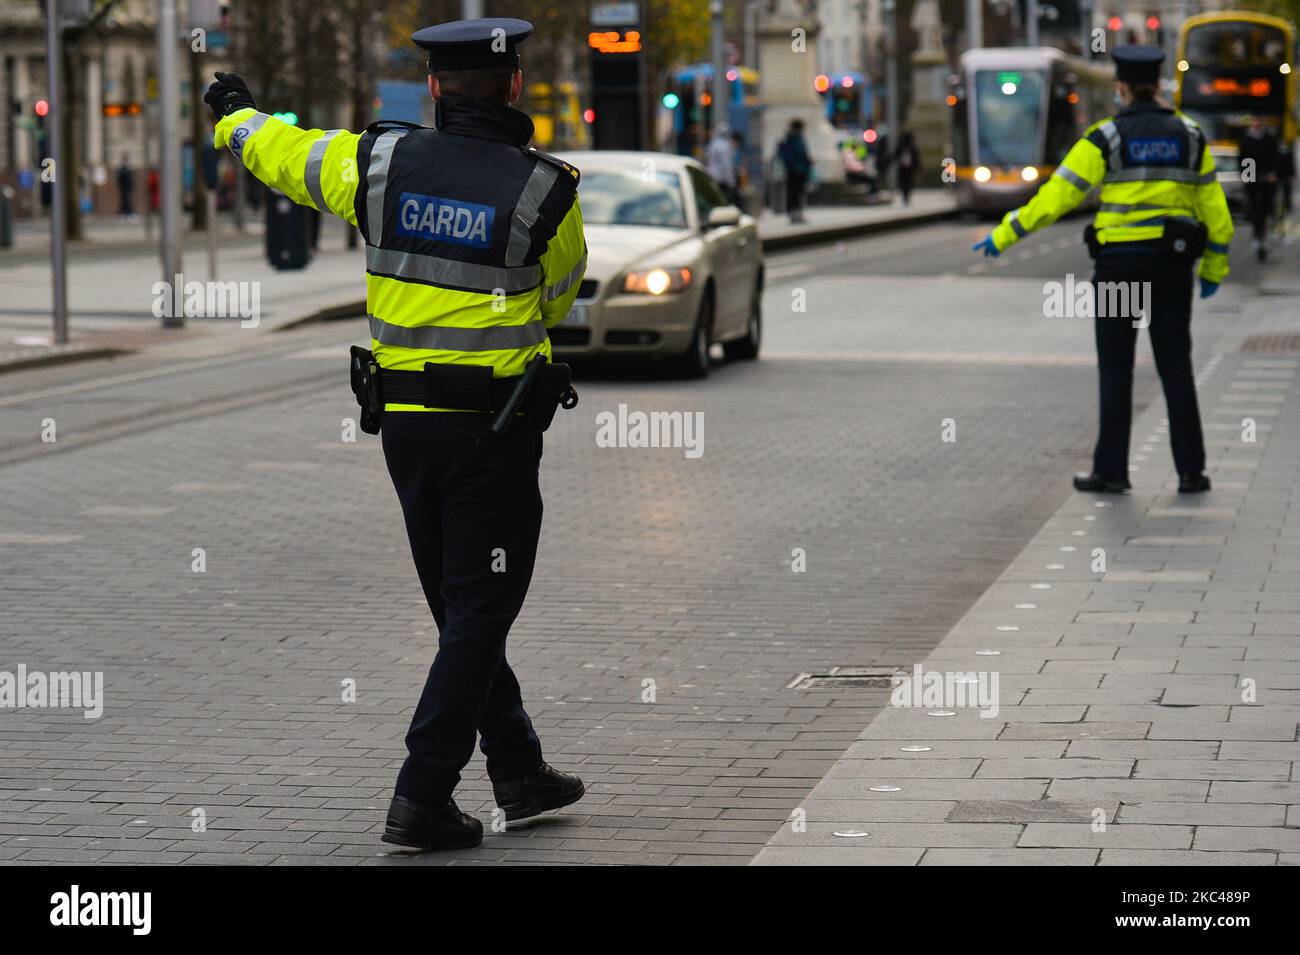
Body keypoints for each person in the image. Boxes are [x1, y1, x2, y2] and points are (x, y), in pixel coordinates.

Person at [205, 16, 588, 851]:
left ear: (436, 90)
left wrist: (234, 112)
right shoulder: (545, 192)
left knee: (462, 608)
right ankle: (422, 794)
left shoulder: (378, 164)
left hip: (405, 431)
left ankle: (520, 769)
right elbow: (557, 296)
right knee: (481, 607)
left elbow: (288, 154)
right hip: (494, 432)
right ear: (515, 87)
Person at [972, 45, 1233, 496]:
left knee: (1116, 368)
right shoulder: (1191, 137)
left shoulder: (1105, 137)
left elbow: (1058, 197)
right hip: (1172, 266)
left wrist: (1005, 234)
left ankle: (1112, 471)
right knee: (1175, 365)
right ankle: (1192, 471)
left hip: (1120, 270)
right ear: (1158, 82)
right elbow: (1217, 212)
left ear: (1122, 87)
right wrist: (1213, 267)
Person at [1238, 116, 1279, 262]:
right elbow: (1243, 158)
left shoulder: (1269, 138)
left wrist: (1272, 173)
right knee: (1255, 209)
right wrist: (1246, 176)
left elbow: (1274, 157)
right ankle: (1257, 236)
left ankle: (1265, 233)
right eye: (1254, 121)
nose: (1256, 123)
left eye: (1258, 121)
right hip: (1252, 178)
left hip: (1267, 179)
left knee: (1267, 207)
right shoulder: (1246, 139)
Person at [777, 119, 811, 223]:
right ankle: (796, 214)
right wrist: (807, 161)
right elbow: (802, 154)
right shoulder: (797, 139)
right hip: (799, 170)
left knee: (792, 192)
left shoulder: (787, 139)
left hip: (791, 169)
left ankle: (794, 213)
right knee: (798, 193)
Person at [706, 124, 739, 206]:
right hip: (722, 180)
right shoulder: (725, 146)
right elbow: (726, 164)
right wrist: (731, 181)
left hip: (712, 177)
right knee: (723, 202)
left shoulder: (713, 144)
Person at [894, 130, 920, 206]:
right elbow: (916, 158)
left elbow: (895, 156)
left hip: (902, 167)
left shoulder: (900, 145)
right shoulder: (912, 146)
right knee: (909, 182)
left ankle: (905, 195)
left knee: (904, 182)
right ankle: (907, 196)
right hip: (909, 168)